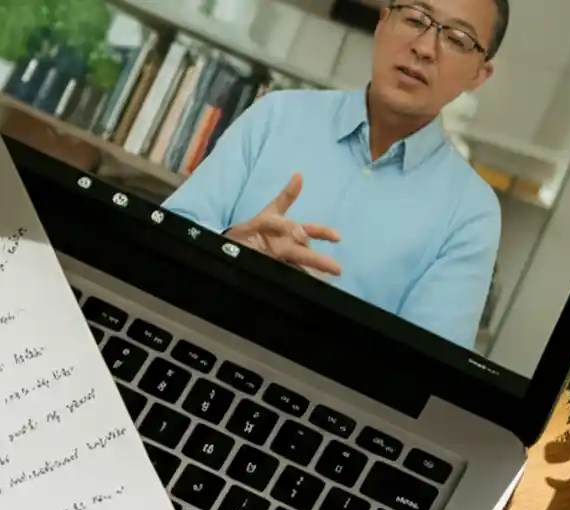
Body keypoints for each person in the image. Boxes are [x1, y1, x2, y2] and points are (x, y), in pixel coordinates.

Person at [163, 0, 509, 350]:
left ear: (479, 75)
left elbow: (425, 367)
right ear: (383, 21)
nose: (423, 48)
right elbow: (166, 233)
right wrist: (230, 247)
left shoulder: (471, 213)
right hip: (197, 338)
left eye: (457, 39)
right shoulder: (276, 115)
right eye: (416, 18)